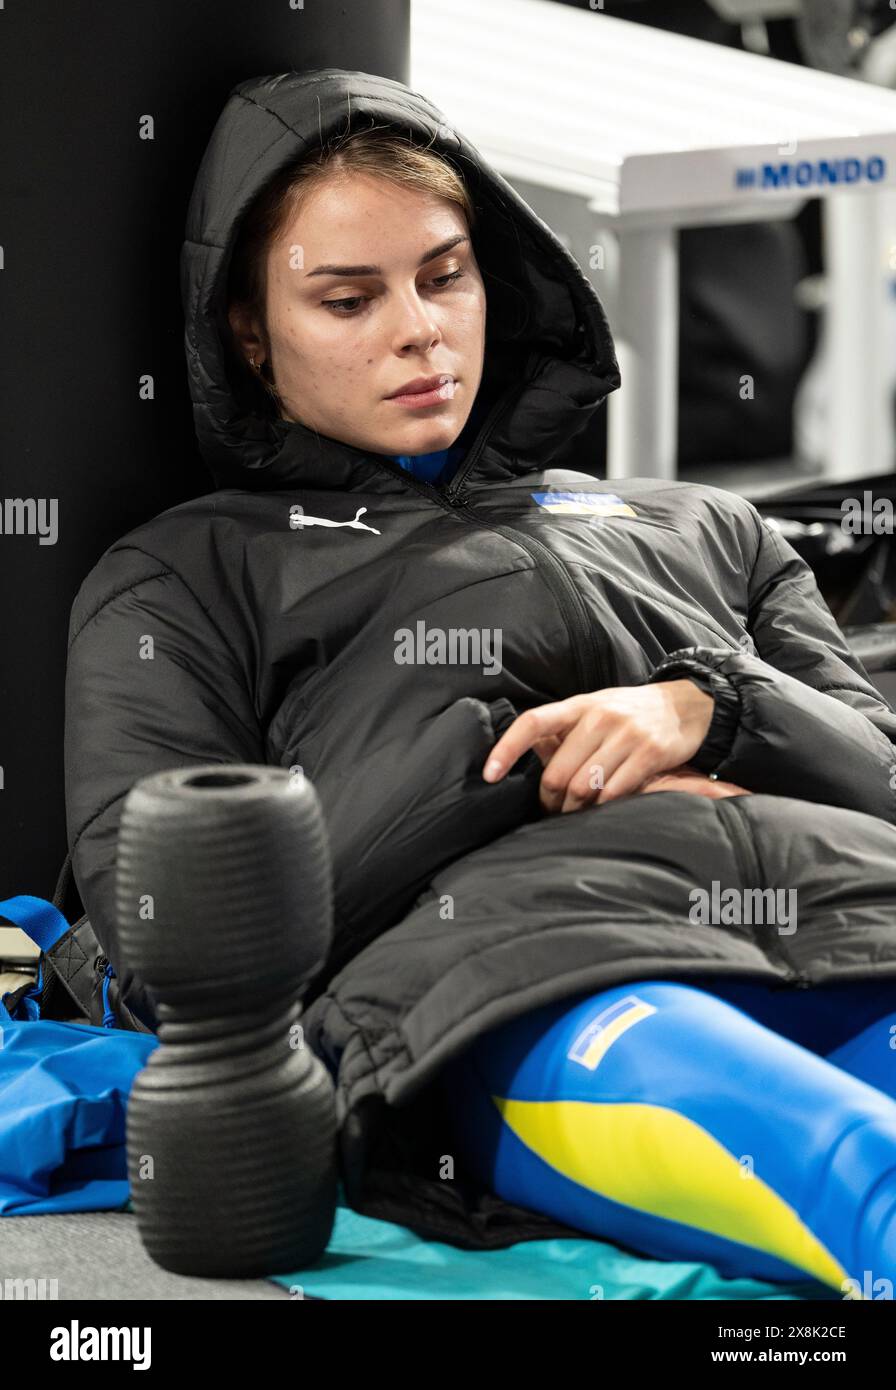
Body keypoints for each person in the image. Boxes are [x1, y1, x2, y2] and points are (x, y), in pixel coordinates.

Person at [65, 68, 896, 1294]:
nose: (419, 329)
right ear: (249, 330)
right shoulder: (184, 577)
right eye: (348, 299)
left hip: (851, 911)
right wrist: (500, 756)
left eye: (444, 275)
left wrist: (706, 705)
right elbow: (166, 941)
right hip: (532, 975)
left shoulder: (701, 524)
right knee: (863, 1176)